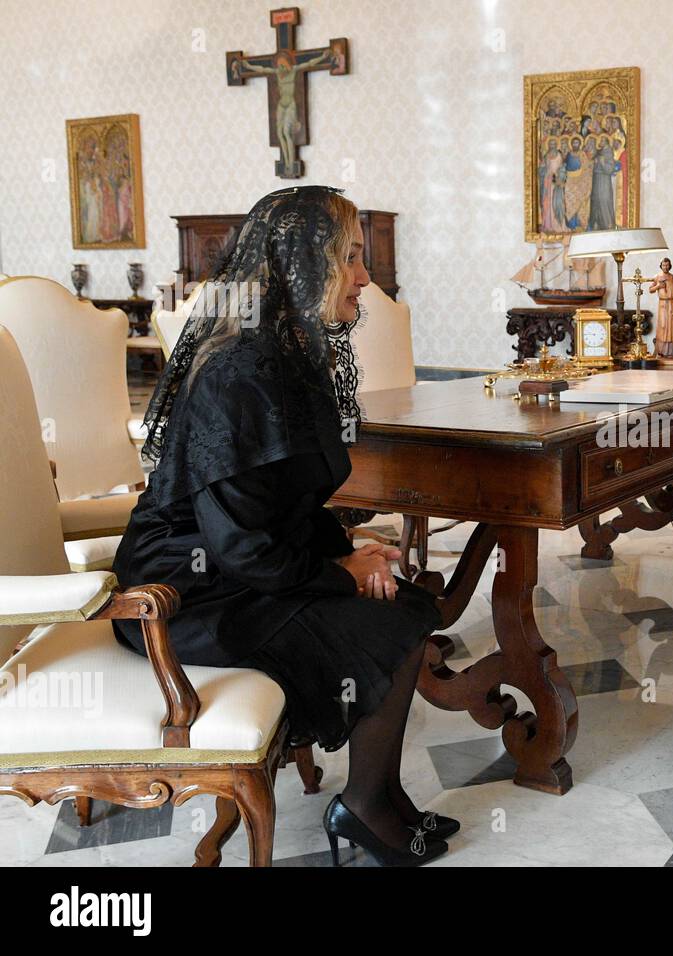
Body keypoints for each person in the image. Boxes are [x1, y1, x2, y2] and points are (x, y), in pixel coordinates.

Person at [112, 185, 455, 866]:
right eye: (350, 259)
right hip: (186, 595)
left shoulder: (291, 353)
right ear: (300, 263)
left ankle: (377, 798)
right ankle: (366, 808)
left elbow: (278, 503)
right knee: (396, 620)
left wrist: (348, 545)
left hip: (243, 571)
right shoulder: (238, 370)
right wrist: (337, 572)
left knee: (410, 602)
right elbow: (237, 542)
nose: (365, 277)